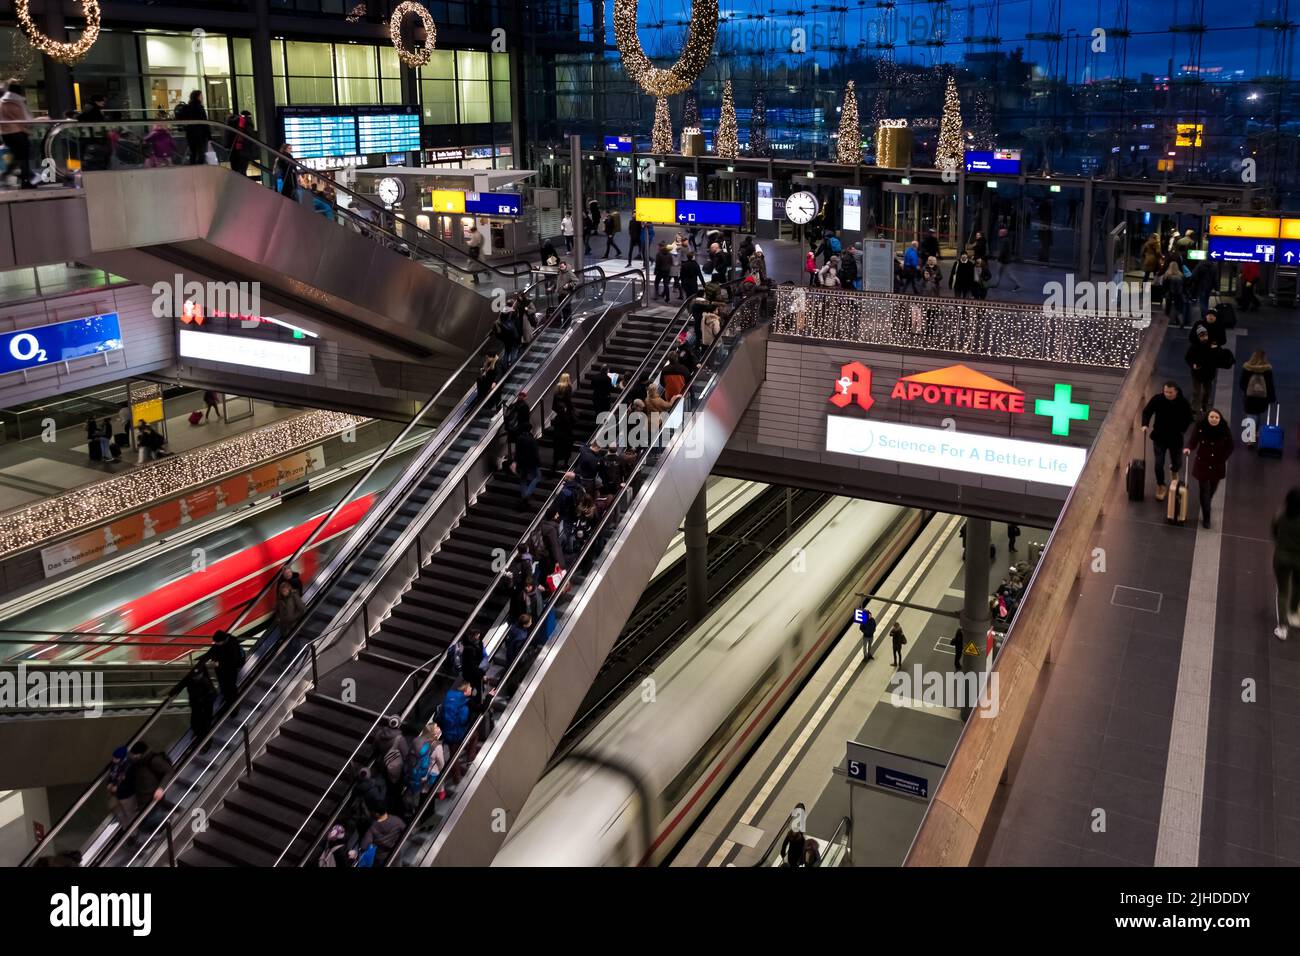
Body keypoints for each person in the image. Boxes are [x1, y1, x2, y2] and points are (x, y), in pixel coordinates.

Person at [1141, 381, 1195, 499]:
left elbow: (1189, 418)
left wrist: (1182, 430)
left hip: (1175, 438)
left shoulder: (1182, 402)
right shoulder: (1158, 399)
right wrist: (1145, 424)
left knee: (1177, 463)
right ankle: (1161, 485)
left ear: (1176, 391)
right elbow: (1147, 411)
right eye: (1165, 392)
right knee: (1158, 464)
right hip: (1159, 437)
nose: (1167, 394)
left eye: (1170, 392)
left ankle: (1173, 470)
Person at [1184, 407, 1234, 530]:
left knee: (1211, 490)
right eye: (1211, 417)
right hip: (1203, 463)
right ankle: (1207, 517)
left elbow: (1230, 446)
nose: (1213, 419)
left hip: (1217, 465)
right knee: (1204, 490)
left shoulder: (1224, 429)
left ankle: (1206, 503)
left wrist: (1223, 458)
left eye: (1216, 417)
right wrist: (1188, 448)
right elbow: (1193, 440)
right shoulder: (1201, 427)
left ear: (1219, 419)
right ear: (1207, 417)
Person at [1272, 488, 1300, 640]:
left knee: (1282, 592)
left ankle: (1282, 628)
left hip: (1281, 557)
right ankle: (1293, 612)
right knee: (1298, 585)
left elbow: (1274, 530)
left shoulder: (1281, 514)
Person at [1184, 325, 1228, 419]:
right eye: (1201, 336)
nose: (1204, 338)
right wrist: (1193, 365)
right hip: (1197, 372)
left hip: (1209, 373)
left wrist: (1216, 350)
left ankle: (1204, 406)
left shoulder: (1213, 344)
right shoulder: (1194, 346)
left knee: (1207, 391)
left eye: (1205, 335)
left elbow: (1219, 356)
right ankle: (1194, 410)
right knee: (1197, 392)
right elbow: (1188, 358)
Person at [0, 80, 35, 189]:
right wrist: (29, 128)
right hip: (18, 132)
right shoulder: (18, 101)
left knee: (16, 156)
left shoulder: (1, 101)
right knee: (23, 157)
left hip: (5, 133)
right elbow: (26, 119)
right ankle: (25, 181)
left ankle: (5, 174)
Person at [1239, 350, 1276, 447]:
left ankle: (1250, 438)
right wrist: (1272, 398)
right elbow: (1270, 385)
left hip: (1250, 397)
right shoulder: (1267, 370)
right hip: (1262, 399)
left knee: (1251, 416)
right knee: (1257, 414)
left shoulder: (1247, 368)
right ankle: (1255, 432)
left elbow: (1242, 384)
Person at [205, 628, 245, 703]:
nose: (216, 643)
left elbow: (233, 661)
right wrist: (214, 660)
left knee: (230, 686)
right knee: (223, 685)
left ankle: (233, 704)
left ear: (222, 640)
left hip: (231, 669)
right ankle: (226, 699)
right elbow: (213, 651)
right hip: (221, 670)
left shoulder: (232, 644)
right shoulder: (220, 643)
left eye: (217, 642)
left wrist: (219, 663)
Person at [181, 662, 216, 738]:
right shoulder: (193, 681)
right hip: (197, 706)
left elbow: (211, 696)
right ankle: (200, 738)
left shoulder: (204, 682)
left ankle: (205, 741)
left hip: (202, 707)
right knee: (197, 724)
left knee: (203, 725)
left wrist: (202, 701)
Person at [550, 374, 576, 474]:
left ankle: (554, 465)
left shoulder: (557, 389)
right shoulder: (568, 388)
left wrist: (560, 412)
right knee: (568, 442)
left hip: (558, 421)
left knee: (558, 444)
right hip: (566, 421)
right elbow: (569, 403)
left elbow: (553, 406)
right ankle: (565, 463)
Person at [106, 745, 136, 828]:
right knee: (120, 815)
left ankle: (133, 834)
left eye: (116, 758)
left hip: (126, 796)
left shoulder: (129, 767)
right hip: (116, 795)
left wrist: (118, 788)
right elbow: (110, 776)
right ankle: (126, 830)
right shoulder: (114, 765)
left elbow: (131, 784)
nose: (114, 760)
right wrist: (109, 783)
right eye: (114, 757)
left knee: (129, 815)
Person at [512, 428, 542, 509]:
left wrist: (515, 462)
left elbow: (517, 452)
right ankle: (527, 494)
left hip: (522, 463)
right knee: (537, 477)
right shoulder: (532, 440)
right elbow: (535, 453)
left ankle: (523, 496)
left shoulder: (519, 439)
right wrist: (538, 463)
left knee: (523, 479)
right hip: (531, 463)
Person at [179, 90, 210, 165]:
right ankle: (200, 168)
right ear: (198, 97)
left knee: (193, 152)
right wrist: (209, 135)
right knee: (201, 152)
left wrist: (186, 128)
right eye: (201, 96)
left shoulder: (187, 107)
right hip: (200, 134)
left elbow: (181, 118)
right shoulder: (200, 107)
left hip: (190, 133)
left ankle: (193, 167)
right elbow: (204, 122)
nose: (203, 98)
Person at [224, 109, 254, 175]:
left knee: (235, 172)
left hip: (233, 151)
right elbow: (250, 139)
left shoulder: (231, 122)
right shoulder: (247, 122)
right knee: (242, 173)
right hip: (243, 151)